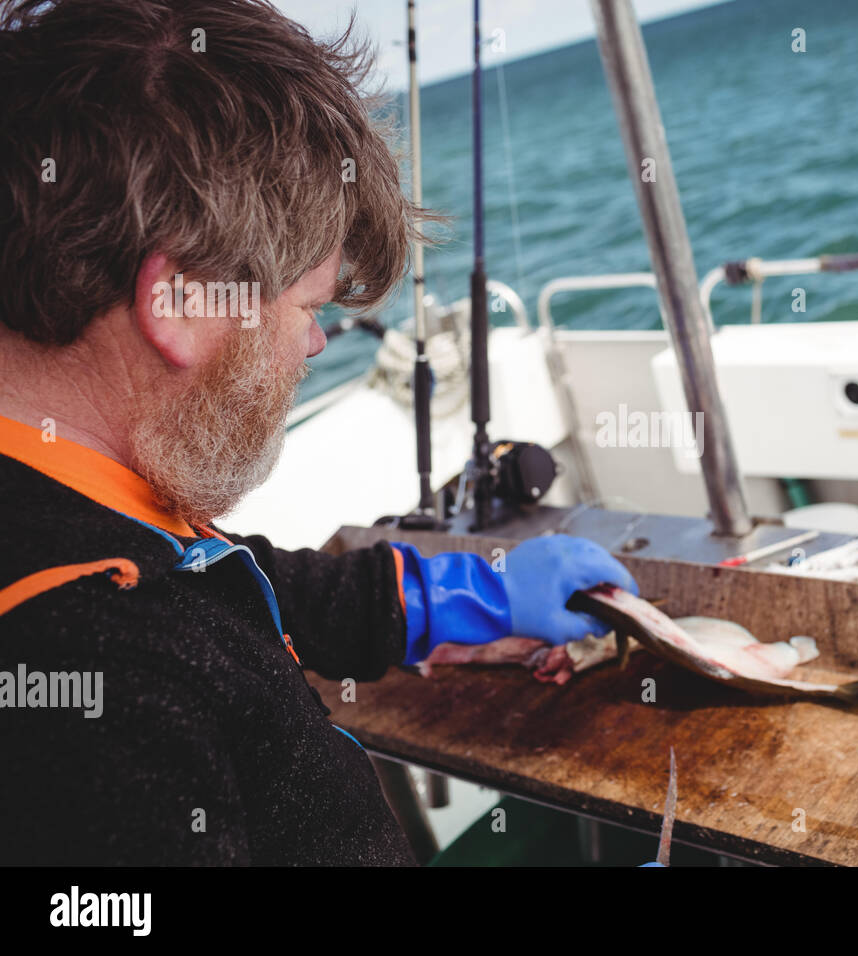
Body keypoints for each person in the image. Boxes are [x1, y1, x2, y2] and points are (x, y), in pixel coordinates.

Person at [0, 0, 636, 865]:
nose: (317, 340)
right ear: (180, 298)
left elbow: (213, 583)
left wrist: (433, 605)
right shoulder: (98, 684)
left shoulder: (73, 495)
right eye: (308, 304)